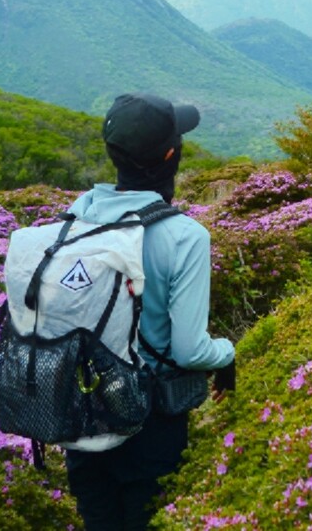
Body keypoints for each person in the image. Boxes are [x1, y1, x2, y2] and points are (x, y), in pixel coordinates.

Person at [63, 92, 236, 531]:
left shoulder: (77, 214)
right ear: (170, 155)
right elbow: (190, 348)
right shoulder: (185, 237)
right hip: (150, 425)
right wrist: (228, 353)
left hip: (83, 416)